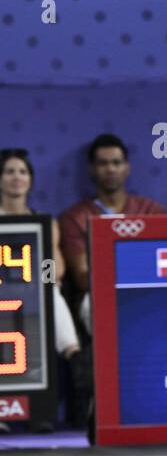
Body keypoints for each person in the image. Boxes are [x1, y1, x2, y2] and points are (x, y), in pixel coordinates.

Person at [58, 133, 167, 328]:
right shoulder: (74, 218)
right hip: (98, 295)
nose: (110, 169)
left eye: (116, 163)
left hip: (146, 290)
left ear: (127, 168)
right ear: (91, 169)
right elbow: (84, 278)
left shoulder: (151, 211)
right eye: (103, 163)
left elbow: (166, 263)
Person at [0, 149, 80, 359]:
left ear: (30, 180)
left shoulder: (45, 223)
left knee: (51, 293)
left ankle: (74, 356)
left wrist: (42, 283)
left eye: (22, 172)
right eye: (9, 172)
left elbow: (55, 270)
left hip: (33, 289)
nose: (17, 177)